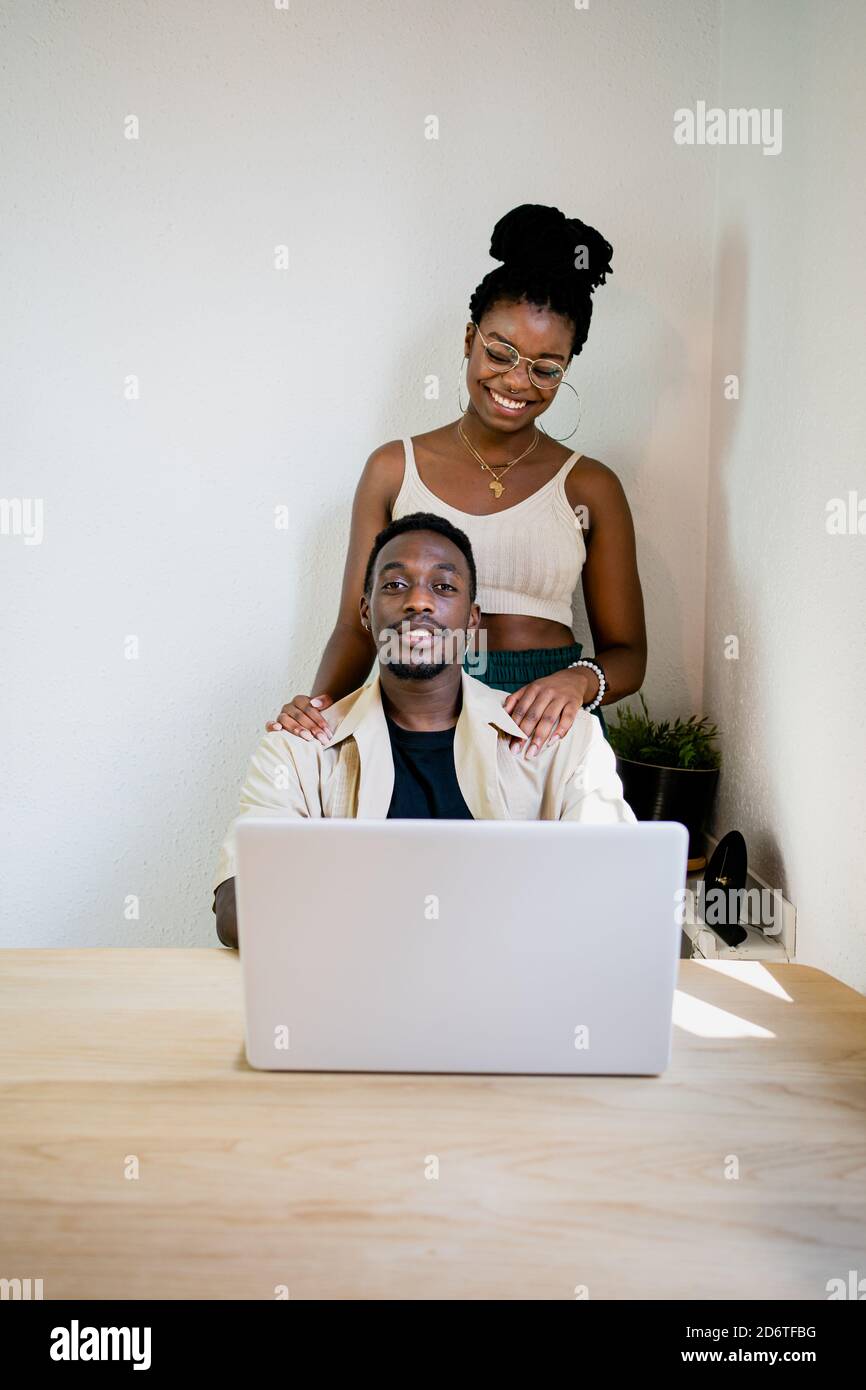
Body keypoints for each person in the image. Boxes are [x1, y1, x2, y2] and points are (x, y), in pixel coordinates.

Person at [268, 201, 646, 759]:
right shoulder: (394, 470)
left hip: (544, 725)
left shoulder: (590, 487)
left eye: (546, 367)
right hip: (416, 707)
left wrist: (579, 681)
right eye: (501, 351)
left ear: (566, 369)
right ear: (470, 339)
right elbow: (355, 627)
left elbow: (629, 652)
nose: (517, 380)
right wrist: (320, 712)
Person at [214, 513, 635, 947]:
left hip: (510, 998)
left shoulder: (563, 739)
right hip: (353, 997)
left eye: (444, 586)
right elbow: (235, 908)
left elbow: (614, 891)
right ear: (366, 611)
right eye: (395, 585)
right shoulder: (298, 747)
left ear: (472, 620)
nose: (419, 602)